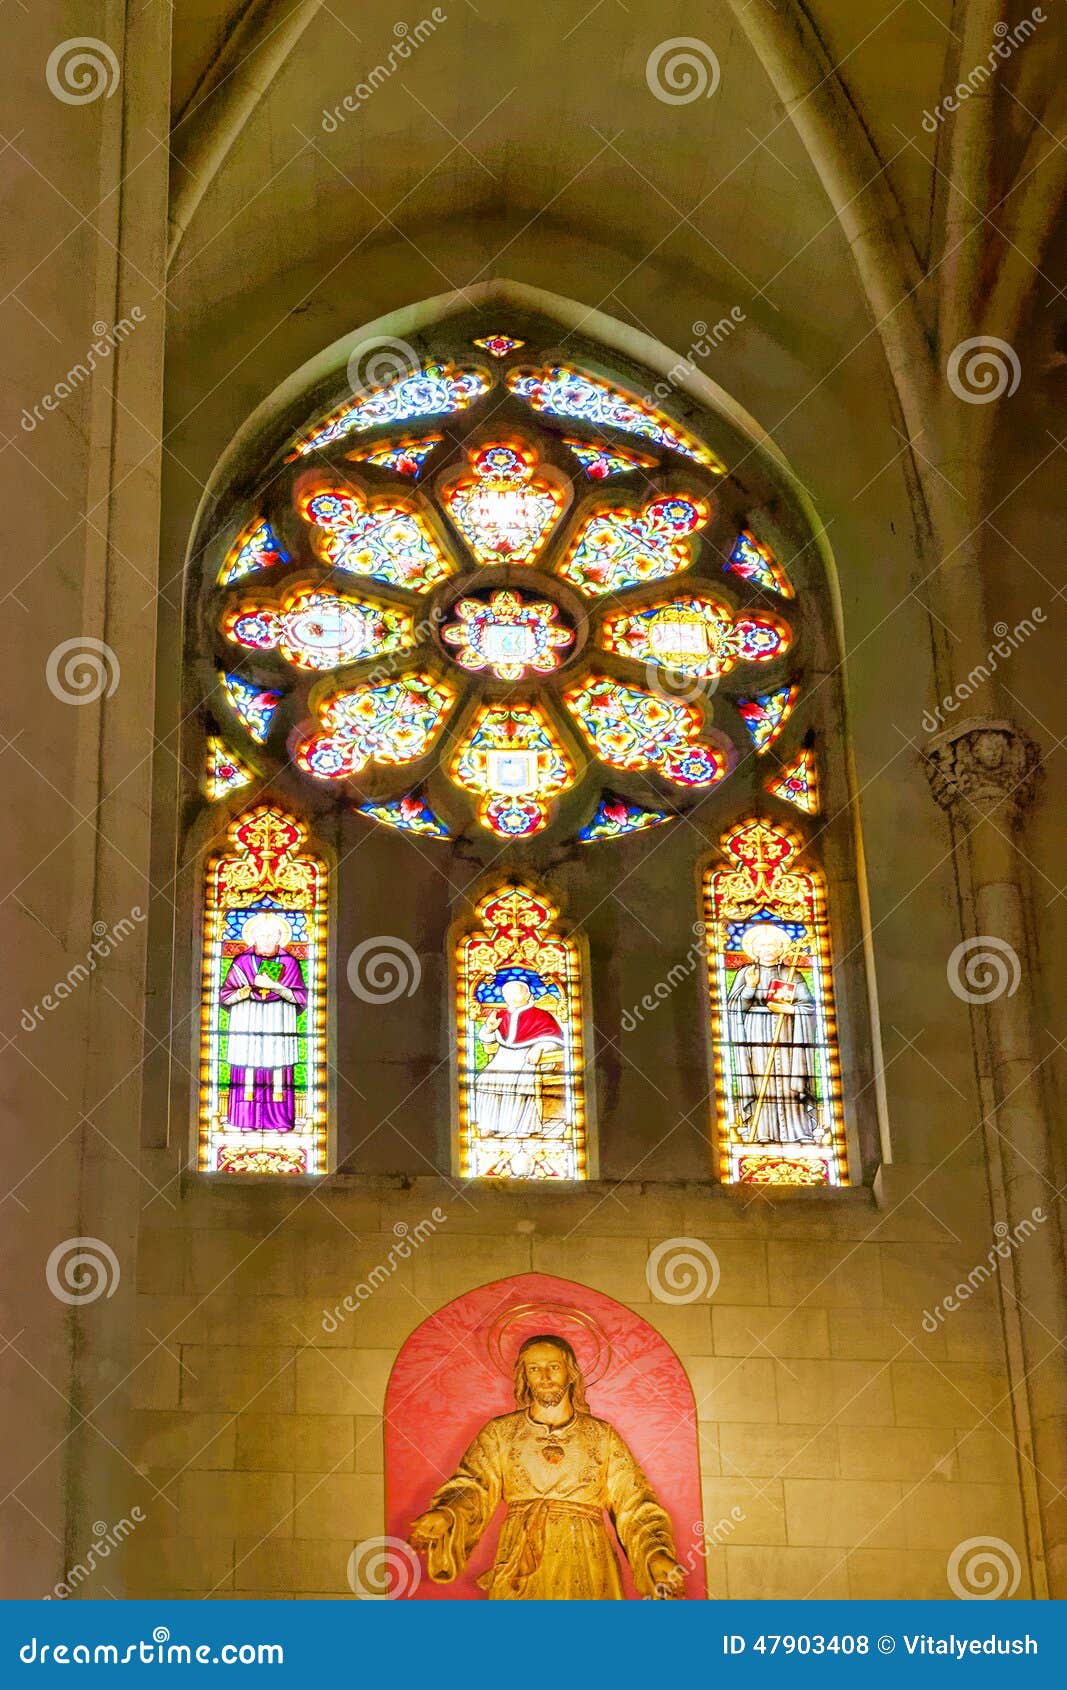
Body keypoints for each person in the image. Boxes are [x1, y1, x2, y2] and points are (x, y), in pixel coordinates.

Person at [408, 1334, 684, 1600]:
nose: (545, 1376)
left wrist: (654, 1552)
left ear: (570, 1372)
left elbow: (633, 1502)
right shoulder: (501, 1432)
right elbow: (474, 1485)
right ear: (524, 1376)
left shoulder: (602, 1435)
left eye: (554, 1367)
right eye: (534, 1368)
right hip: (521, 1553)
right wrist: (447, 1513)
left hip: (587, 1558)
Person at [725, 921, 820, 1144]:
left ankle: (797, 1132)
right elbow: (734, 1009)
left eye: (773, 945)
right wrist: (750, 987)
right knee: (761, 1080)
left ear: (780, 949)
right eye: (763, 946)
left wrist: (790, 1009)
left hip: (786, 1031)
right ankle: (762, 1131)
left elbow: (808, 1006)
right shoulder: (746, 973)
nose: (768, 950)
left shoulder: (792, 974)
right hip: (755, 1031)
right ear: (755, 949)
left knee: (788, 1079)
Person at [219, 910, 306, 1131]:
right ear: (254, 937)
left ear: (279, 938)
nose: (267, 940)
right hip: (247, 1020)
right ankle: (245, 1120)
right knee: (247, 1068)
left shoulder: (290, 963)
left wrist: (276, 987)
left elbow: (300, 996)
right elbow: (226, 995)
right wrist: (246, 990)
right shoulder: (242, 962)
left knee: (278, 1069)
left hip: (279, 1020)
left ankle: (278, 1120)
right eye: (262, 936)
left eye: (271, 936)